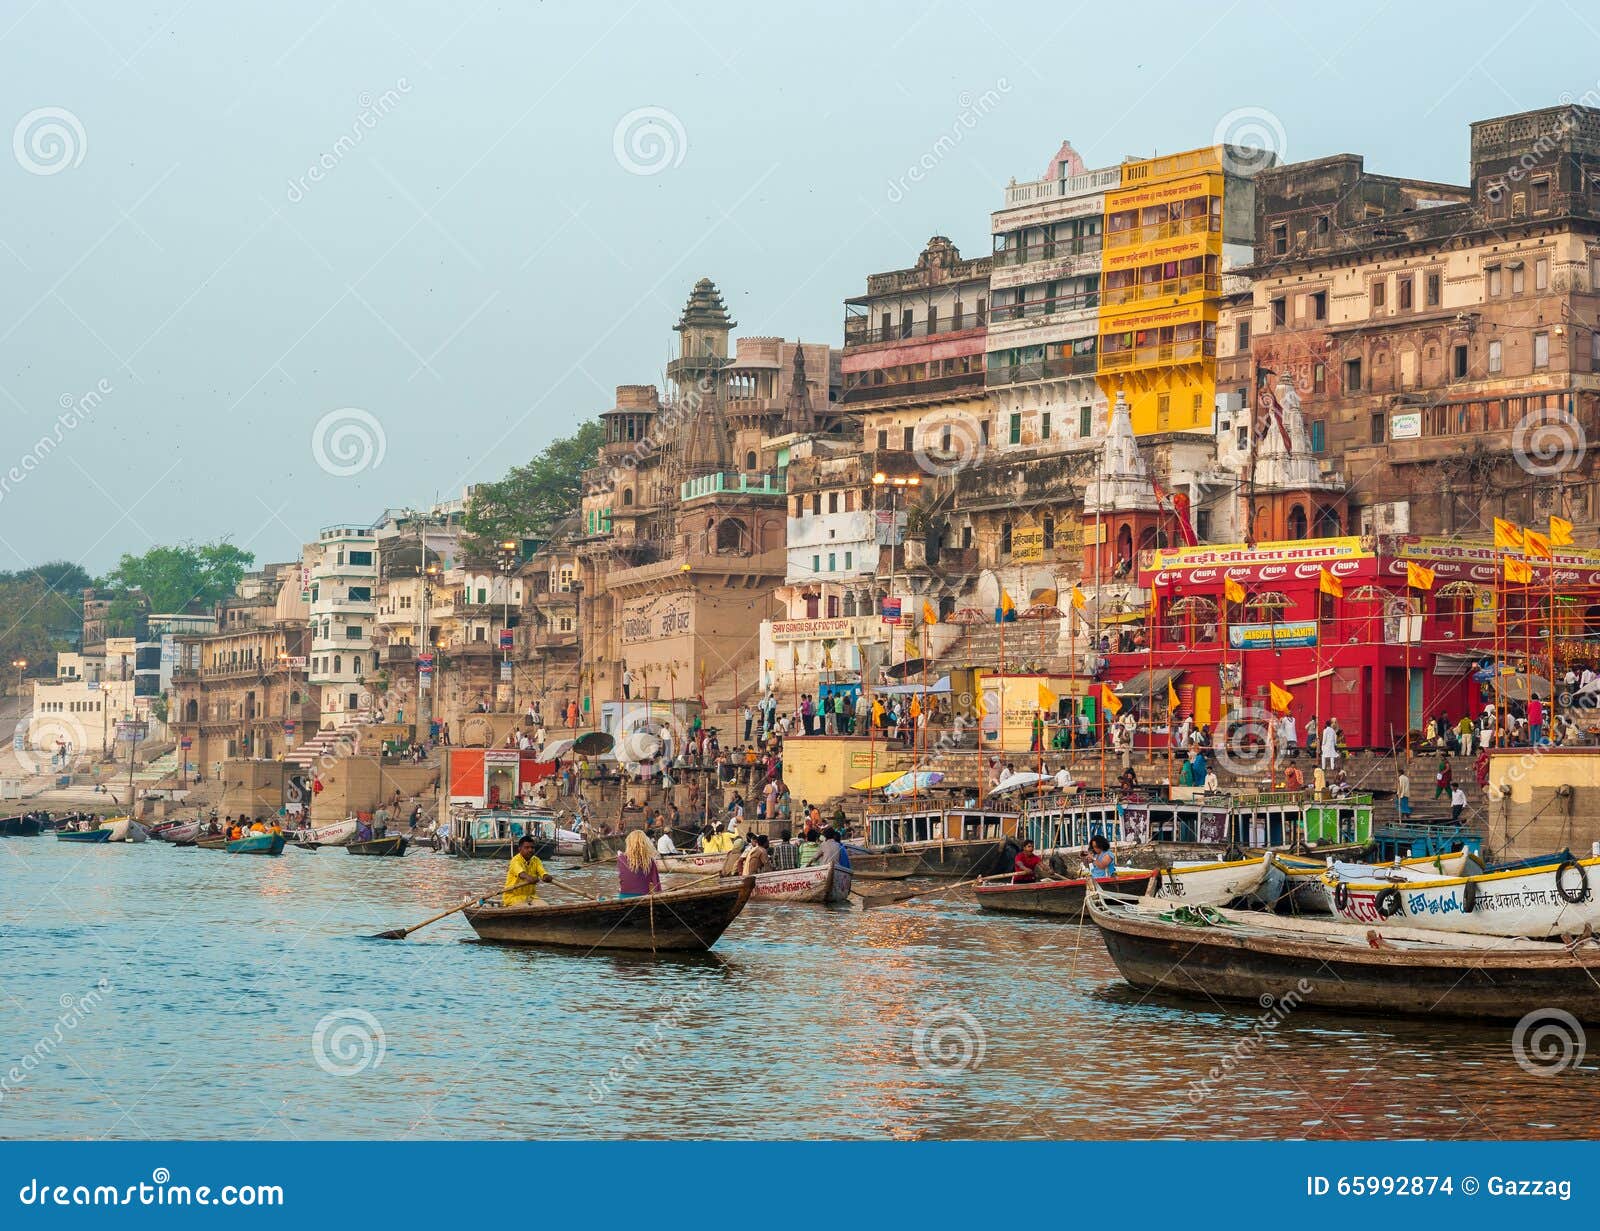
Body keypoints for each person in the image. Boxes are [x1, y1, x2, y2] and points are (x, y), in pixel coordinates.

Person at [503, 835, 552, 905]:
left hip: (531, 897)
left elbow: (542, 872)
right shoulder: (515, 861)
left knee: (545, 906)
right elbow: (521, 874)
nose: (530, 850)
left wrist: (546, 877)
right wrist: (529, 878)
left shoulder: (536, 860)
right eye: (526, 848)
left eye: (532, 847)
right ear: (520, 849)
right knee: (525, 907)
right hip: (513, 898)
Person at [616, 829, 662, 898]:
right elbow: (657, 887)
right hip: (644, 897)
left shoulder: (621, 858)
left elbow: (621, 879)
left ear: (629, 844)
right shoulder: (650, 861)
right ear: (645, 844)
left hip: (623, 896)